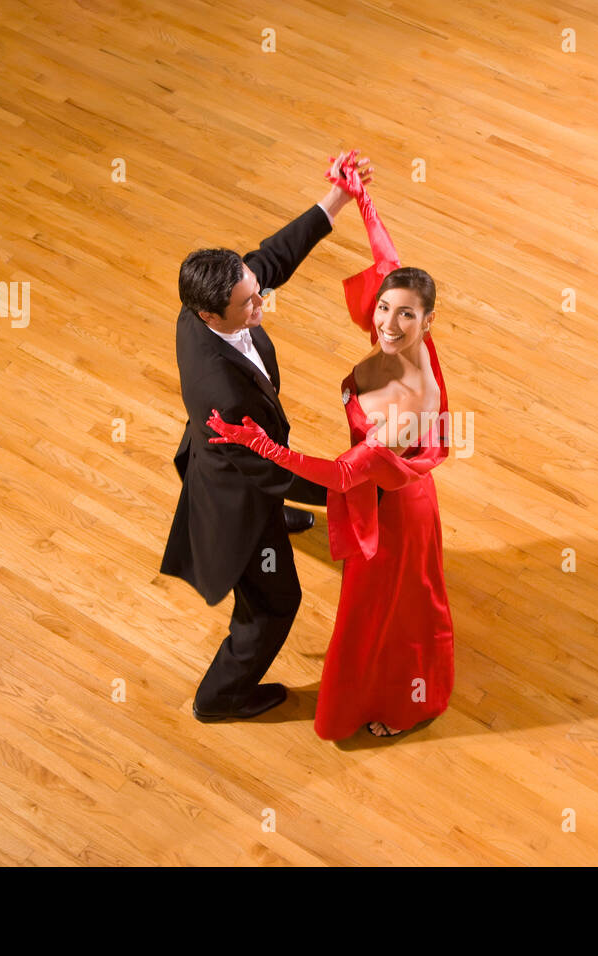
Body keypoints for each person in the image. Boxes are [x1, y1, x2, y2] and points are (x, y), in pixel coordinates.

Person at [207, 152, 455, 739]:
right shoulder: (400, 326)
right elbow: (388, 262)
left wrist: (259, 445)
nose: (387, 325)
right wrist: (360, 201)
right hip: (388, 496)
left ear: (430, 322)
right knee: (391, 611)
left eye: (404, 317)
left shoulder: (410, 402)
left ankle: (404, 702)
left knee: (385, 615)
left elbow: (343, 477)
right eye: (385, 308)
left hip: (391, 516)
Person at [160, 150, 372, 722]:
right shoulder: (222, 392)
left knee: (277, 497)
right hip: (237, 491)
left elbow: (272, 258)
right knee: (276, 603)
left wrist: (338, 200)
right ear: (210, 315)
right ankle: (220, 697)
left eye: (256, 292)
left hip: (246, 463)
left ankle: (279, 514)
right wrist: (355, 494)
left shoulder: (209, 302)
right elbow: (271, 471)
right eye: (250, 301)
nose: (262, 302)